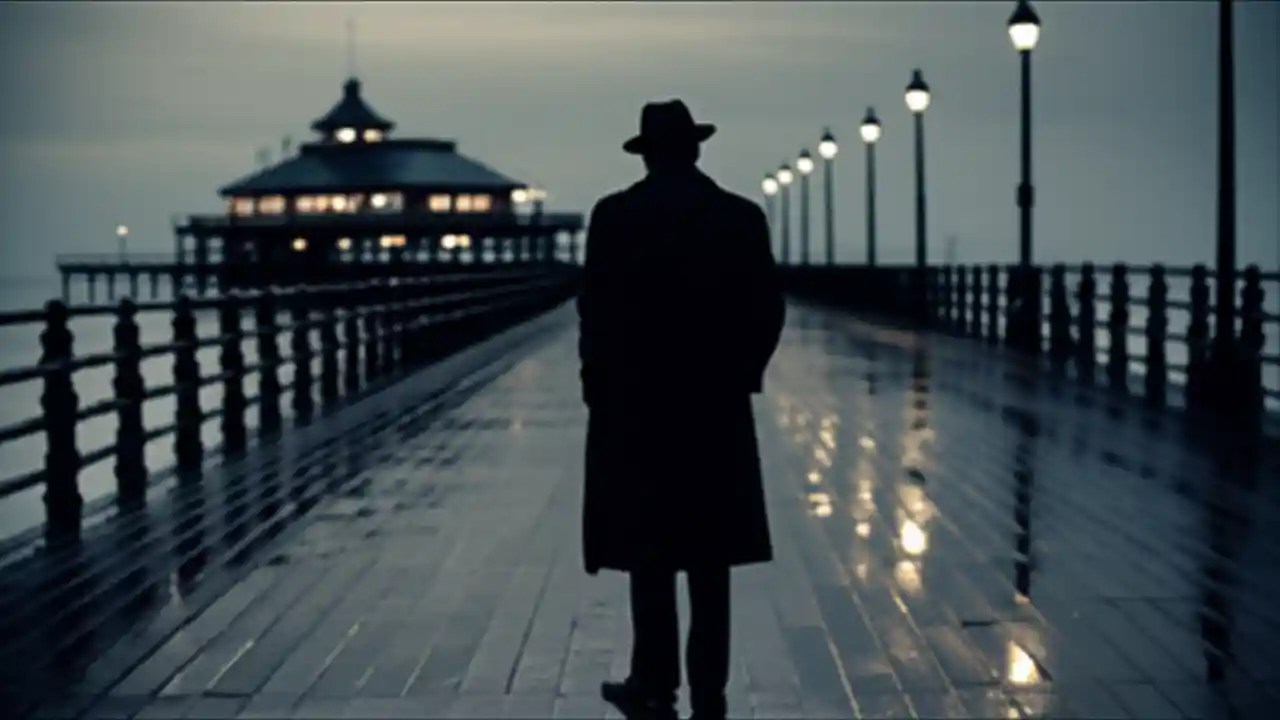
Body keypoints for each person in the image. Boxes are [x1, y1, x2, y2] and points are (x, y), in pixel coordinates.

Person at [577, 99, 786, 720]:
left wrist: (600, 385)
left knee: (650, 551)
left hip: (638, 404)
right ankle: (710, 691)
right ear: (695, 149)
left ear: (648, 153)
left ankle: (653, 679)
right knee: (709, 555)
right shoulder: (740, 218)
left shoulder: (615, 217)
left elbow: (594, 310)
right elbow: (768, 308)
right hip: (714, 405)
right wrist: (741, 373)